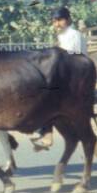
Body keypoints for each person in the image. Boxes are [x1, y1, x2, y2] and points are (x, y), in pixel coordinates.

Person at [32, 8, 88, 151]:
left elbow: (71, 59)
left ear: (68, 20)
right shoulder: (63, 36)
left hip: (76, 77)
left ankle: (46, 134)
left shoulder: (73, 35)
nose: (57, 24)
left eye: (60, 20)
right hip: (67, 75)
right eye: (55, 21)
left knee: (47, 97)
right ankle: (44, 132)